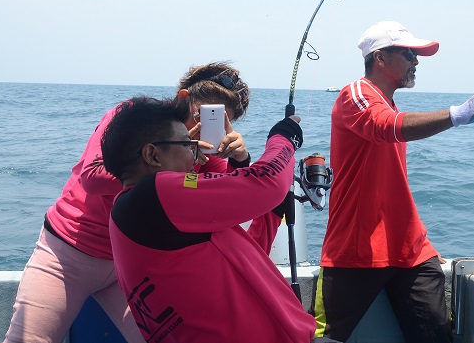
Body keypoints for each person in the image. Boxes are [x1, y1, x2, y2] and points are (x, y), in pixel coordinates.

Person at [4, 63, 253, 343]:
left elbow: (225, 203)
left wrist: (240, 160)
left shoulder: (204, 151)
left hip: (134, 264)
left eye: (217, 121)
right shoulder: (132, 117)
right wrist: (170, 164)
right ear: (184, 98)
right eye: (203, 114)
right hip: (70, 251)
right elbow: (92, 177)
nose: (203, 126)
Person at [314, 20, 474, 343]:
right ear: (380, 58)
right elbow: (384, 126)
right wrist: (455, 114)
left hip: (410, 250)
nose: (416, 61)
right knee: (325, 338)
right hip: (355, 248)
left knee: (435, 336)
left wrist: (419, 240)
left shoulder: (388, 101)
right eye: (408, 53)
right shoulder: (357, 94)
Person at [101, 96, 321, 343]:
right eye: (187, 145)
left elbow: (240, 257)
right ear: (152, 155)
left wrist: (246, 175)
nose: (194, 157)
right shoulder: (152, 194)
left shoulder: (140, 212)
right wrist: (284, 136)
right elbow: (266, 182)